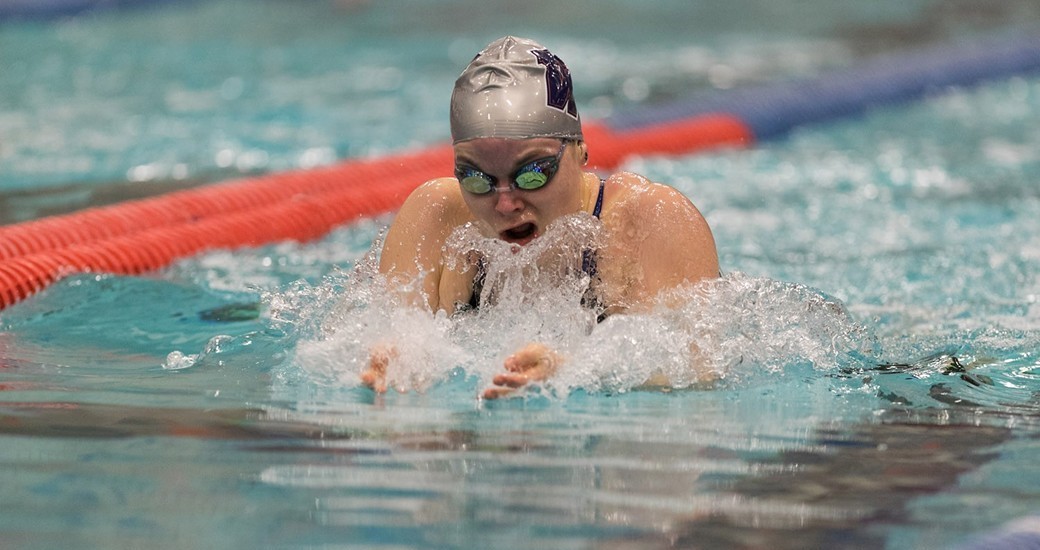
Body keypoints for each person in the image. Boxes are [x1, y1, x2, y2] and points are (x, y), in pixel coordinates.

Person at [361, 36, 719, 399]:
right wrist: (397, 358)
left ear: (580, 150)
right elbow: (386, 340)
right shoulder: (436, 216)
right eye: (476, 178)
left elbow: (697, 373)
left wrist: (575, 370)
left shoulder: (648, 220)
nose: (505, 205)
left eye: (532, 174)